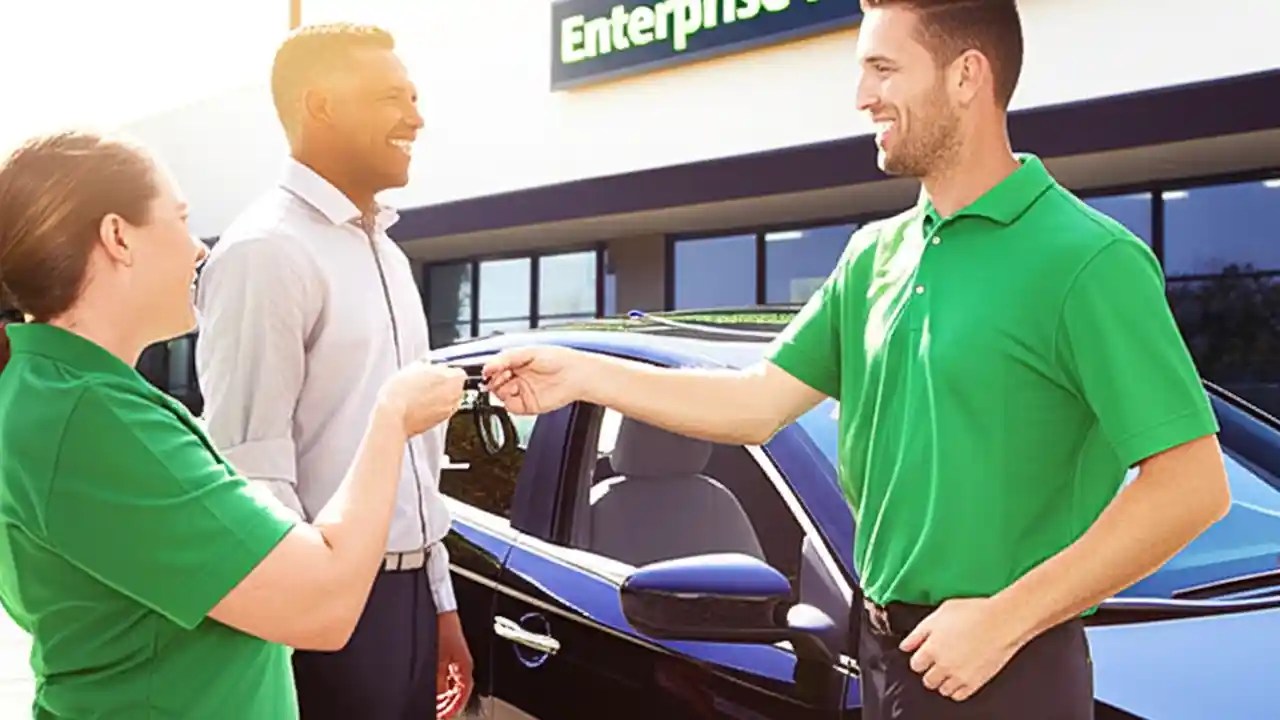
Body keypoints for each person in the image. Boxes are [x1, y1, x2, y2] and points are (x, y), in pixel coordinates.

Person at [481, 1, 1233, 717]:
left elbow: (1192, 485)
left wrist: (1006, 620)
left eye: (883, 69)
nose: (861, 96)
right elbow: (753, 404)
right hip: (885, 651)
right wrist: (580, 373)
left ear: (966, 76)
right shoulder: (874, 255)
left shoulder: (1088, 260)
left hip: (1009, 664)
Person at [0, 130, 465, 719]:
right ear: (118, 237)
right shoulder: (96, 422)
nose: (198, 248)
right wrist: (392, 417)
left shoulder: (52, 391)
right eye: (180, 217)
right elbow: (322, 604)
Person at [194, 23, 473, 720]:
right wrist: (298, 630)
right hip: (328, 618)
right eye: (390, 97)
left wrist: (440, 605)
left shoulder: (388, 253)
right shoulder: (265, 252)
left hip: (405, 604)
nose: (416, 117)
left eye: (413, 96)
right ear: (320, 106)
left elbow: (416, 462)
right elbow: (249, 470)